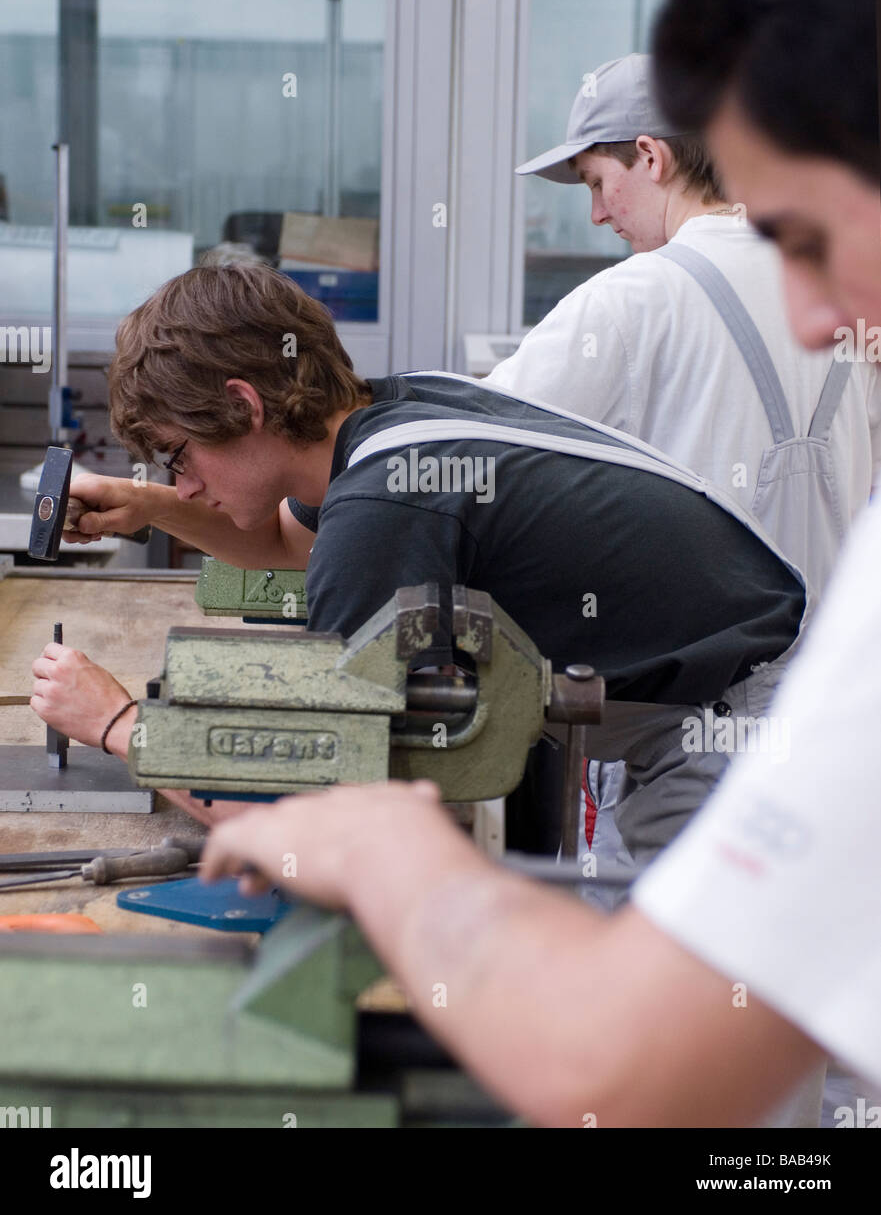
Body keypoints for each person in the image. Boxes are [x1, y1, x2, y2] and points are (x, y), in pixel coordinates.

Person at [196, 0, 881, 1126]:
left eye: (805, 235)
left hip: (737, 732)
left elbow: (611, 1068)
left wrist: (390, 848)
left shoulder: (630, 305)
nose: (802, 316)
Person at [32, 264, 805, 860]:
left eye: (177, 456)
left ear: (243, 405)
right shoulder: (389, 425)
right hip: (723, 699)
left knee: (686, 1050)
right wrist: (151, 508)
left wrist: (118, 724)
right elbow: (294, 547)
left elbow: (309, 815)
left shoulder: (383, 504)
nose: (182, 482)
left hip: (731, 739)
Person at [487, 53, 881, 904]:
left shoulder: (631, 301)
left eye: (598, 182)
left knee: (654, 997)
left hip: (696, 744)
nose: (596, 215)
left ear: (652, 157)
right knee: (788, 1002)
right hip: (838, 732)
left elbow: (461, 454)